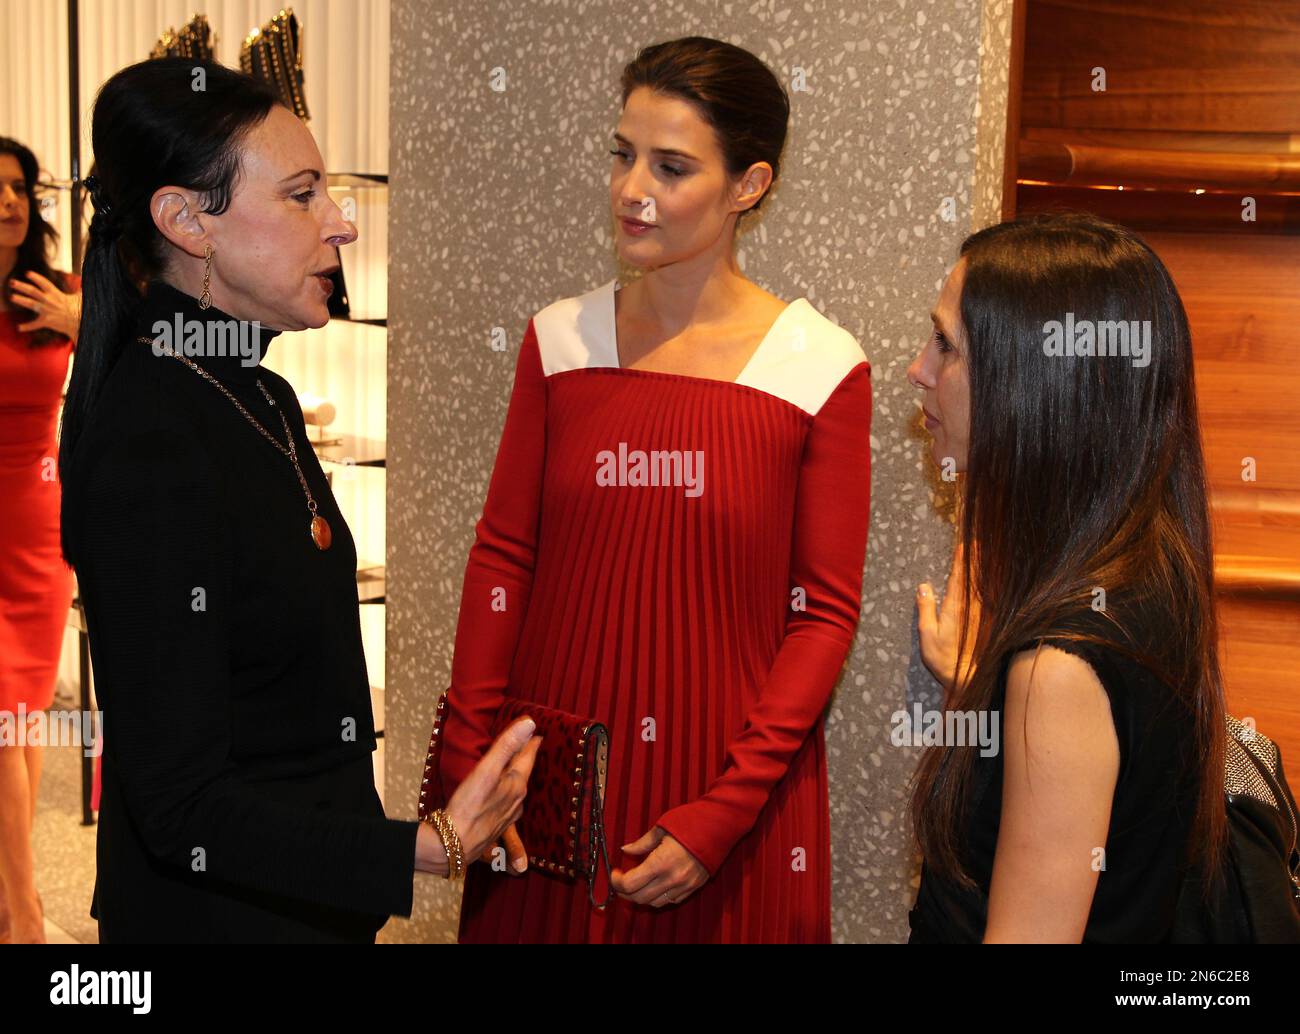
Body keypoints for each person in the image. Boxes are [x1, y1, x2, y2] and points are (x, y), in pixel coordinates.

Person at [58, 58, 541, 943]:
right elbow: (182, 807)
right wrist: (423, 850)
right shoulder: (150, 442)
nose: (343, 224)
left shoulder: (257, 393)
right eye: (302, 195)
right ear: (185, 220)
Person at [437, 36, 873, 942]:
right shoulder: (559, 341)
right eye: (622, 154)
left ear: (749, 186)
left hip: (727, 798)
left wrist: (724, 812)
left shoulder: (820, 367)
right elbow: (504, 555)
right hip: (549, 785)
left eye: (671, 167)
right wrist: (462, 762)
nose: (632, 188)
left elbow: (823, 614)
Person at [906, 211, 1225, 942]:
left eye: (946, 345)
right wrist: (977, 689)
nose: (918, 369)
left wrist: (1021, 689)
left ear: (1036, 384)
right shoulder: (1150, 567)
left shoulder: (1061, 666)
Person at [0, 136, 82, 944]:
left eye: (19, 185)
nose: (8, 200)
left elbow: (141, 356)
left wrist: (77, 316)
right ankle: (22, 913)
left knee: (20, 717)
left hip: (39, 522)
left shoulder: (59, 291)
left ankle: (7, 902)